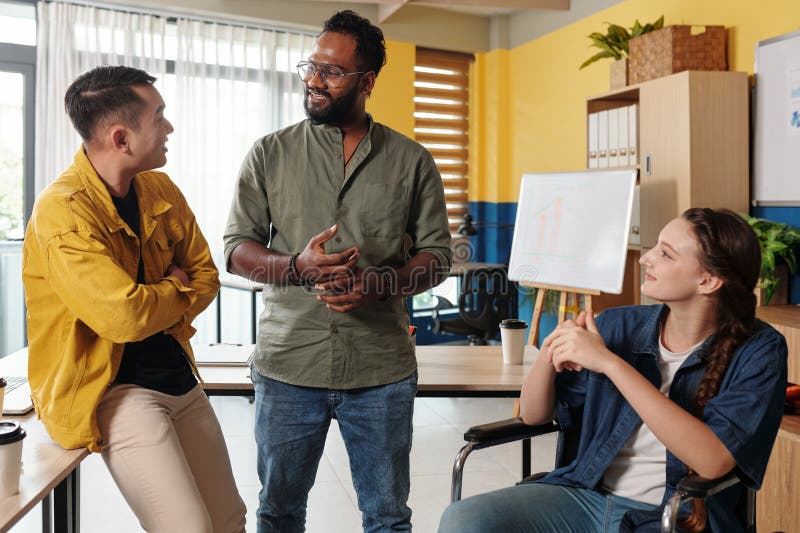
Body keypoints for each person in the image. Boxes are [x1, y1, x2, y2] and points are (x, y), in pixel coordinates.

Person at [224, 10, 451, 533]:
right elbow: (236, 249)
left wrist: (382, 284)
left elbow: (437, 256)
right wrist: (297, 266)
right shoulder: (269, 153)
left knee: (387, 518)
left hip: (381, 372)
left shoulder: (412, 161)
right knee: (278, 513)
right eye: (312, 66)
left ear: (367, 81)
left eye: (332, 71)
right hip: (287, 366)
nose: (314, 80)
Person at [439, 208, 787, 533]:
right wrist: (553, 349)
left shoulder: (759, 350)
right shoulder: (618, 324)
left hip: (669, 515)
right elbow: (533, 415)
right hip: (584, 494)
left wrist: (609, 363)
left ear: (708, 281)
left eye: (665, 254)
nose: (647, 258)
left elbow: (712, 461)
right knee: (465, 519)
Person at [22, 65, 246, 533]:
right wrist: (174, 287)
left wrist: (158, 298)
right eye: (159, 117)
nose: (169, 128)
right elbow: (124, 317)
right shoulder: (62, 212)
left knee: (230, 521)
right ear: (121, 138)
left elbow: (207, 275)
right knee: (190, 528)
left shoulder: (160, 188)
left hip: (180, 377)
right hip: (114, 393)